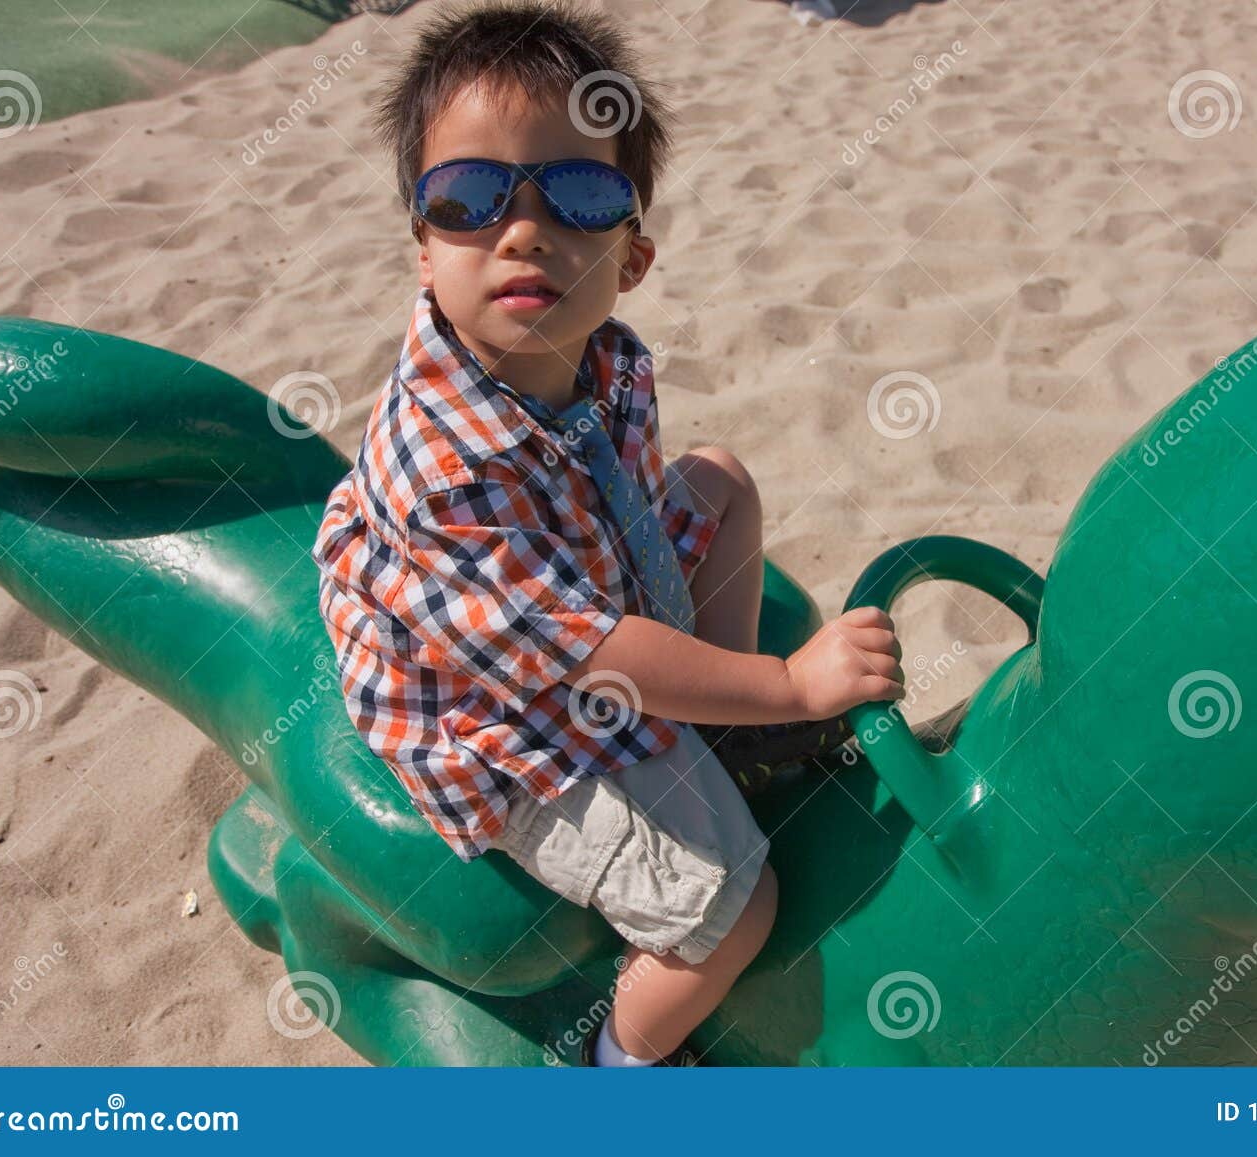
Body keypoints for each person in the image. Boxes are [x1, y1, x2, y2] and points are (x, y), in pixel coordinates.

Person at [311, 0, 904, 1066]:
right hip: (502, 702)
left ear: (630, 258)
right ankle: (620, 1061)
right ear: (421, 246)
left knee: (721, 480)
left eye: (578, 195)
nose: (523, 228)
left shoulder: (605, 357)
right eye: (469, 197)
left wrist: (718, 684)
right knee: (733, 907)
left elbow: (625, 517)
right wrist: (788, 687)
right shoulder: (448, 473)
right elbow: (583, 651)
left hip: (584, 571)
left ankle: (719, 720)